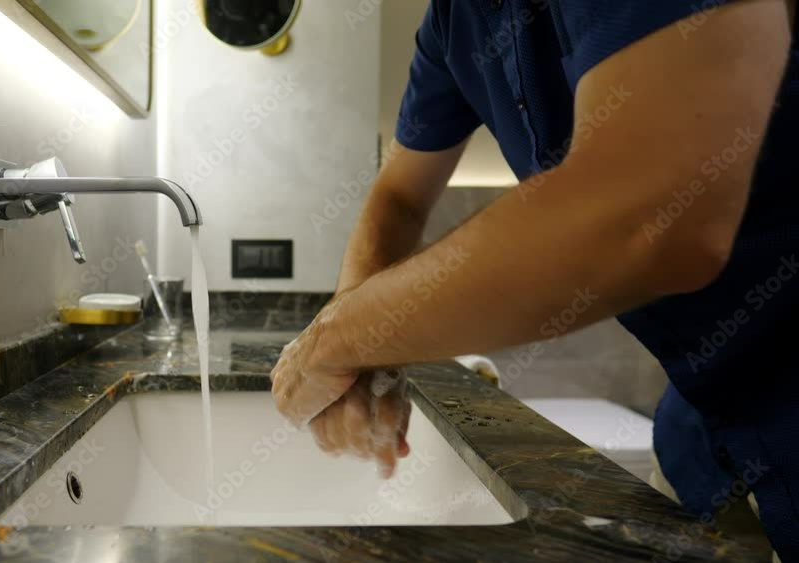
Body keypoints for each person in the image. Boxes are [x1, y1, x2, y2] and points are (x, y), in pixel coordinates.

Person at [269, 0, 798, 558]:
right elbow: (397, 197)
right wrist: (359, 359)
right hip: (701, 419)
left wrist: (338, 339)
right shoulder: (456, 19)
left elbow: (653, 221)